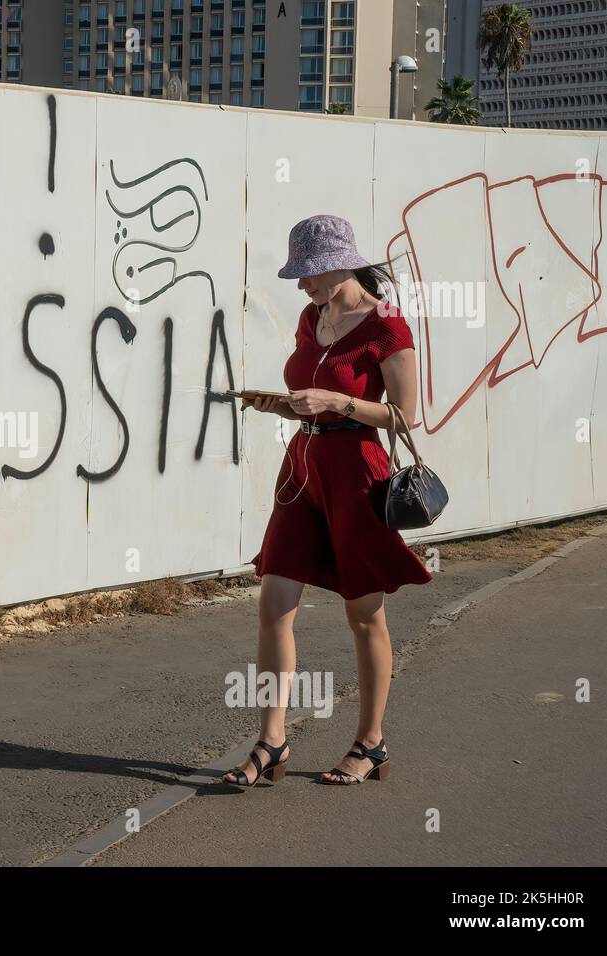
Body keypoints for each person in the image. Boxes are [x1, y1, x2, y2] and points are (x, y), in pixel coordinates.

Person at [220, 214, 432, 788]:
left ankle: (372, 742)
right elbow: (307, 400)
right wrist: (276, 403)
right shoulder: (310, 318)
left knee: (364, 614)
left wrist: (336, 401)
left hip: (357, 473)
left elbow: (406, 417)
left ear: (341, 263)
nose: (301, 284)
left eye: (308, 273)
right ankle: (272, 740)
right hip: (303, 469)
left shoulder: (387, 324)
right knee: (274, 602)